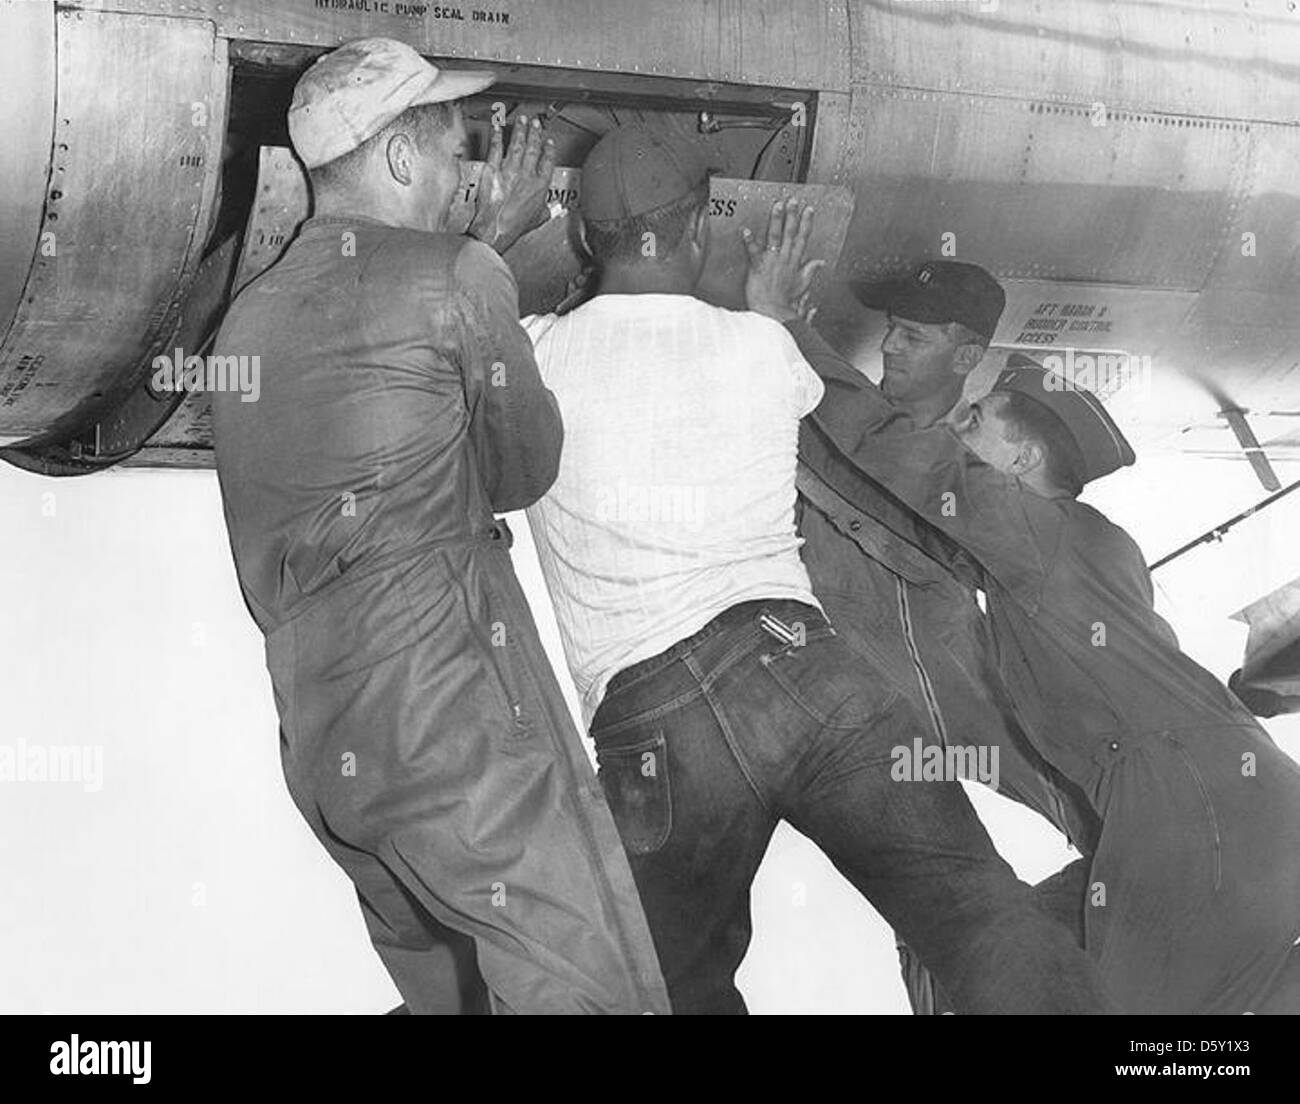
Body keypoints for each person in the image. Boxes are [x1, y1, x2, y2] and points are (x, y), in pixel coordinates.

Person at [522, 122, 1113, 1014]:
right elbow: (785, 389)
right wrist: (770, 309)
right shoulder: (762, 351)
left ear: (582, 239)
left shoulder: (532, 357)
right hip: (798, 664)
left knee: (667, 987)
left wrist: (492, 249)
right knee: (977, 914)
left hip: (653, 718)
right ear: (691, 234)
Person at [209, 37, 670, 1015]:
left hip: (329, 741)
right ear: (400, 160)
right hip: (449, 701)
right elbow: (519, 468)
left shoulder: (244, 324)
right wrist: (485, 258)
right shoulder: (454, 274)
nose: (471, 171)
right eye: (454, 146)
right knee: (589, 991)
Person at [746, 207, 1300, 1012]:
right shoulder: (1101, 546)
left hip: (1185, 812)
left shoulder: (1029, 527)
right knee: (997, 962)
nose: (959, 431)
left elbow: (896, 452)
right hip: (1242, 807)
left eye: (975, 421)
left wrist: (782, 326)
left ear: (1022, 458)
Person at [780, 248, 1096, 1011]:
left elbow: (878, 444)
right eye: (891, 329)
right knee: (931, 930)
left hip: (962, 709)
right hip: (878, 730)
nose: (888, 345)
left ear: (967, 356)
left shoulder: (959, 467)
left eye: (913, 338)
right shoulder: (832, 426)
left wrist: (786, 320)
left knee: (1113, 824)